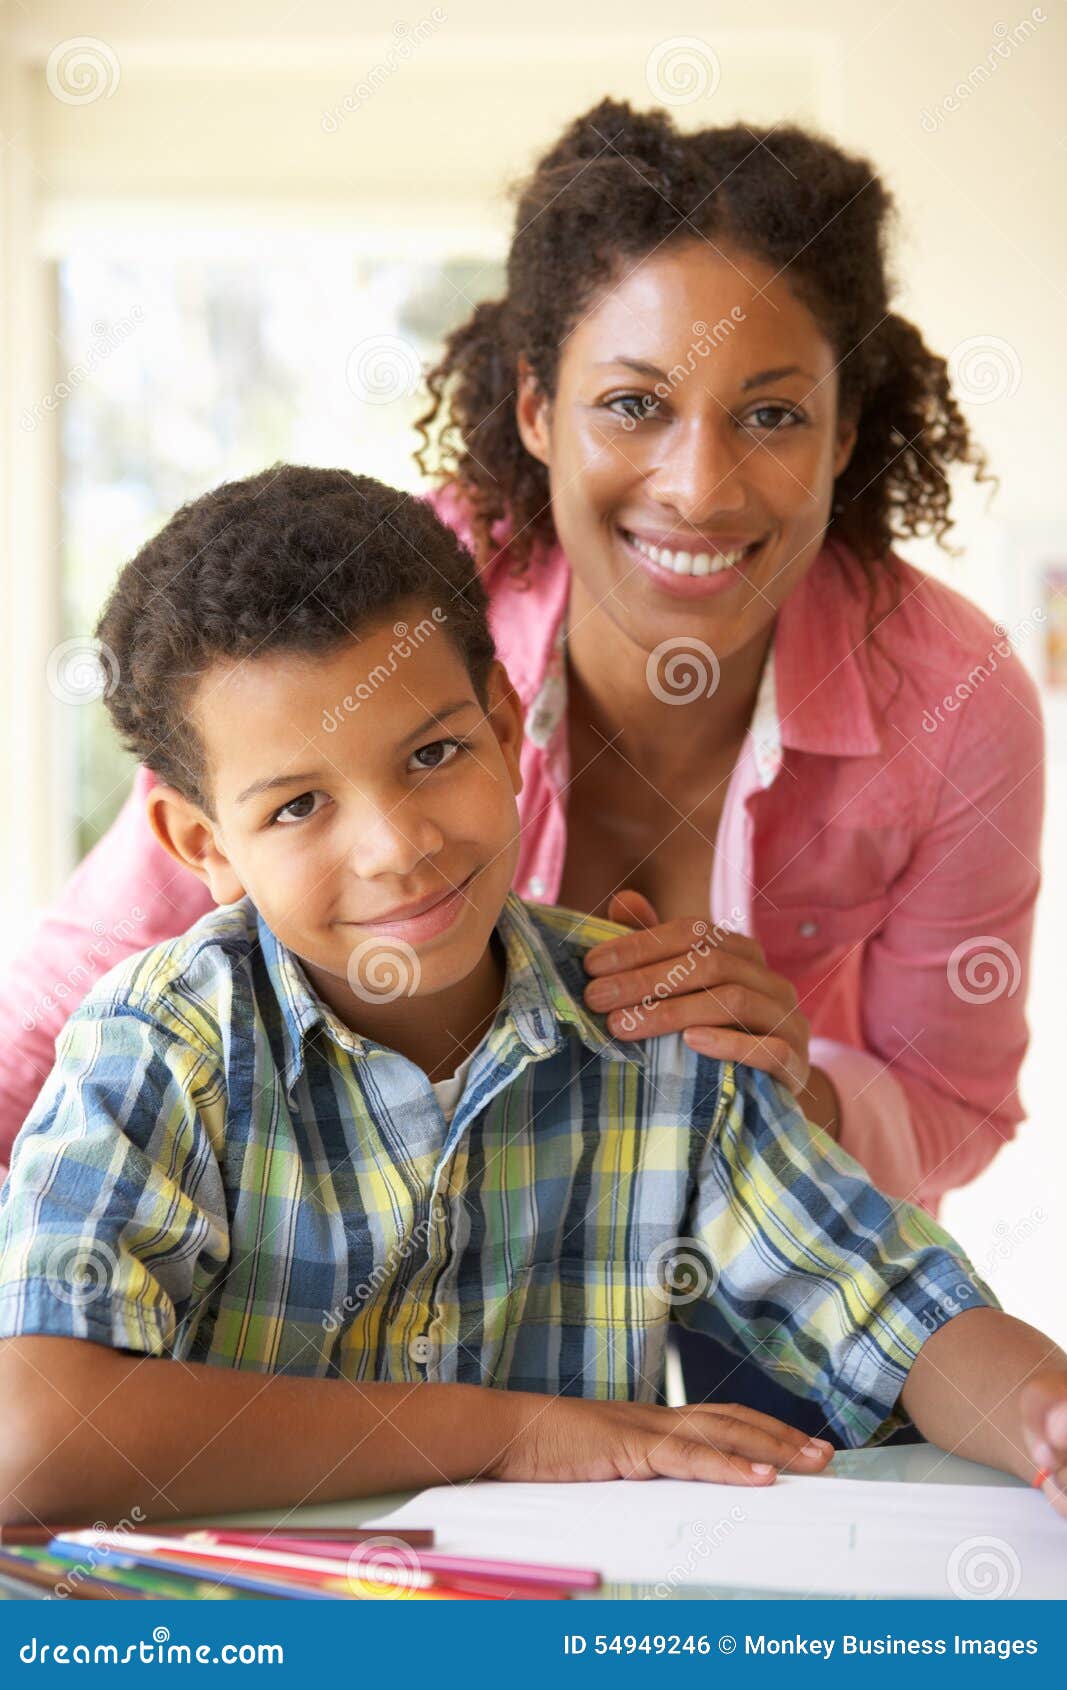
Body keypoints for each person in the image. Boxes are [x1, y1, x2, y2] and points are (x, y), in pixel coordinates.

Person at [0, 103, 1044, 1422]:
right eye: (632, 404)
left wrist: (801, 1093)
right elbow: (69, 1004)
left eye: (772, 413)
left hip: (748, 1184)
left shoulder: (951, 698)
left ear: (842, 433)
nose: (698, 486)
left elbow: (944, 1108)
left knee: (815, 1435)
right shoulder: (392, 617)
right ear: (538, 408)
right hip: (414, 1253)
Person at [1, 465, 1064, 1530]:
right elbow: (30, 1439)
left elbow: (892, 1306)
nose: (396, 846)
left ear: (507, 734)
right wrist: (510, 1432)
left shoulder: (651, 1032)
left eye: (433, 753)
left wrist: (1040, 1412)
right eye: (298, 806)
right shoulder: (161, 1047)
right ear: (202, 844)